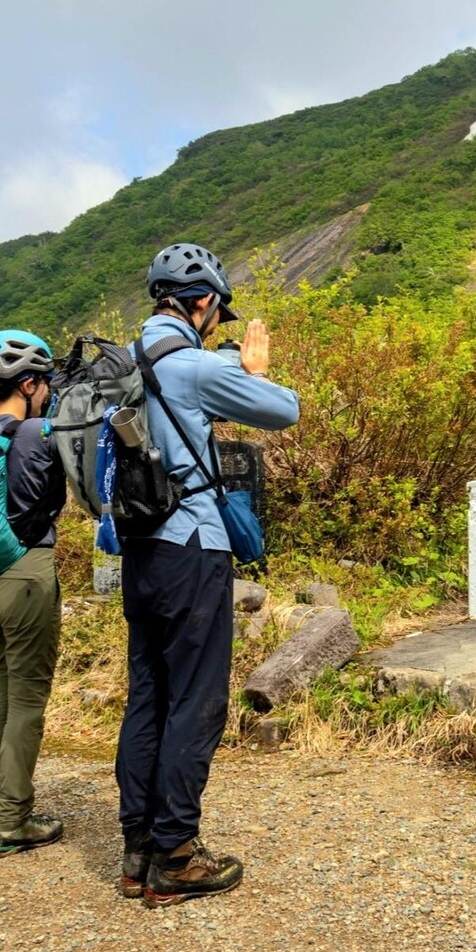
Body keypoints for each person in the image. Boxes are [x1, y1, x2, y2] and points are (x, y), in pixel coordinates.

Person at [116, 243, 299, 907]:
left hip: (140, 552)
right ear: (202, 303)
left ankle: (138, 851)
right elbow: (285, 408)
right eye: (218, 312)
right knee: (196, 699)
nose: (218, 323)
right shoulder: (192, 364)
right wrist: (252, 370)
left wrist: (225, 366)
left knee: (149, 697)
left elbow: (190, 389)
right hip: (192, 548)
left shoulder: (130, 362)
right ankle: (177, 854)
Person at [0, 330, 67, 857]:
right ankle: (13, 822)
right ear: (27, 383)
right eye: (44, 384)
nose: (47, 392)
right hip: (25, 576)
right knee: (27, 703)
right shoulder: (34, 433)